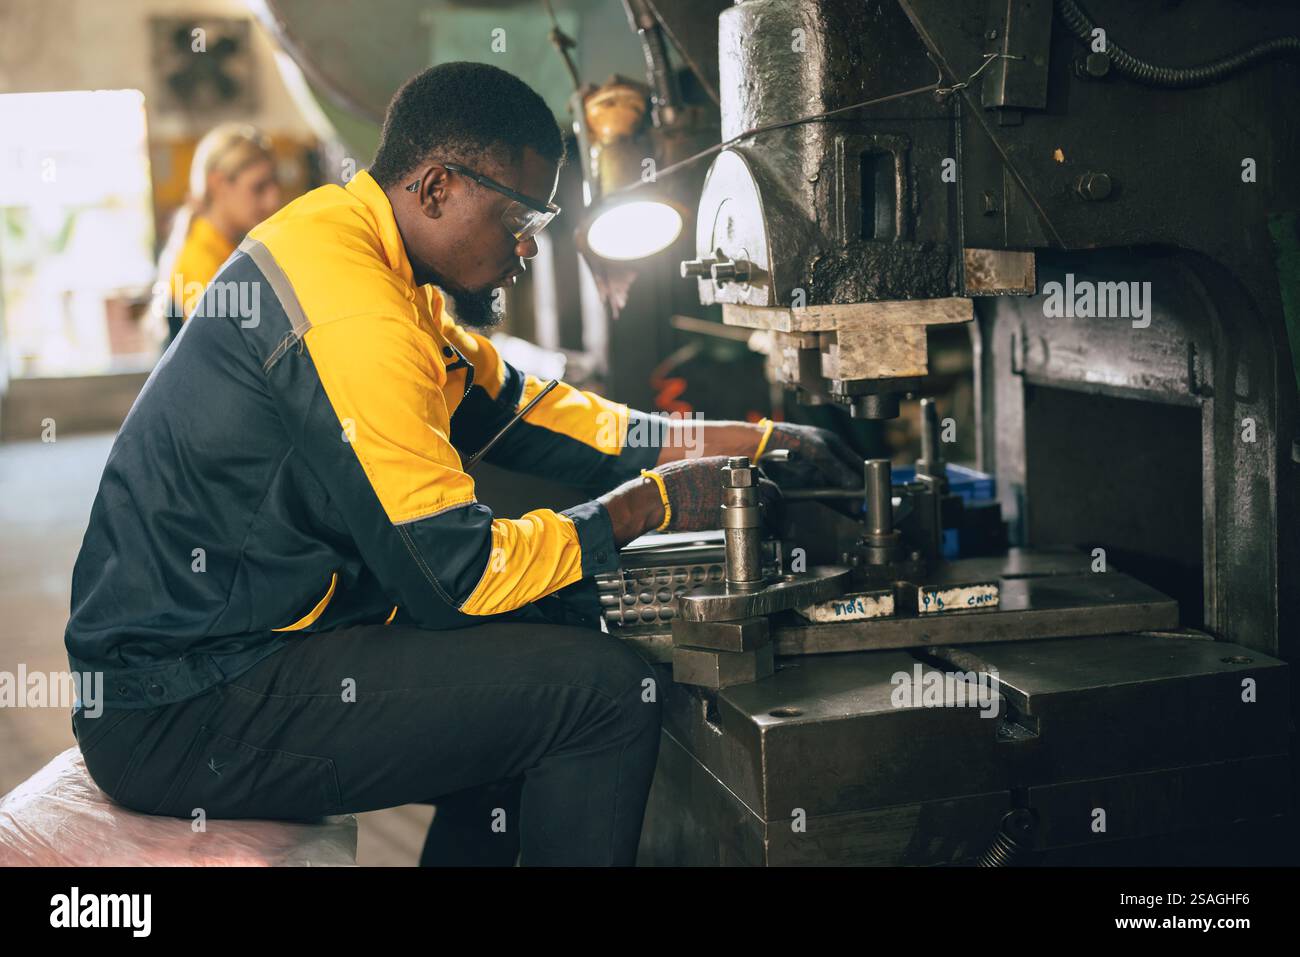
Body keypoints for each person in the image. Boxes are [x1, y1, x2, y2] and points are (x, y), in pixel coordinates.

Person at [66, 62, 860, 866]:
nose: (528, 245)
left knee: (537, 655)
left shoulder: (361, 250)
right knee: (603, 694)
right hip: (184, 704)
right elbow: (458, 578)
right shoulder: (356, 313)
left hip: (234, 649)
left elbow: (536, 414)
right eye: (519, 215)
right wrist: (647, 507)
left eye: (542, 218)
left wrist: (756, 441)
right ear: (438, 186)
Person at [151, 123, 283, 345]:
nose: (273, 200)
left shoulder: (224, 251)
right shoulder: (202, 262)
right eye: (258, 188)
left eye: (274, 185)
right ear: (219, 183)